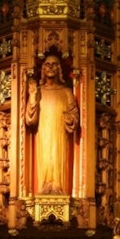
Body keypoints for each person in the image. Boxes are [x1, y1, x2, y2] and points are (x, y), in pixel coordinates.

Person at [24, 54, 79, 196]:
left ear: (59, 68)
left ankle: (57, 188)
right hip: (43, 133)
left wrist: (70, 119)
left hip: (59, 134)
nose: (50, 67)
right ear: (42, 69)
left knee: (57, 157)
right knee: (45, 159)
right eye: (47, 64)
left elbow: (74, 115)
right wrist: (32, 97)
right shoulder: (39, 91)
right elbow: (30, 120)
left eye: (54, 64)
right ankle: (44, 187)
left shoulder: (66, 92)